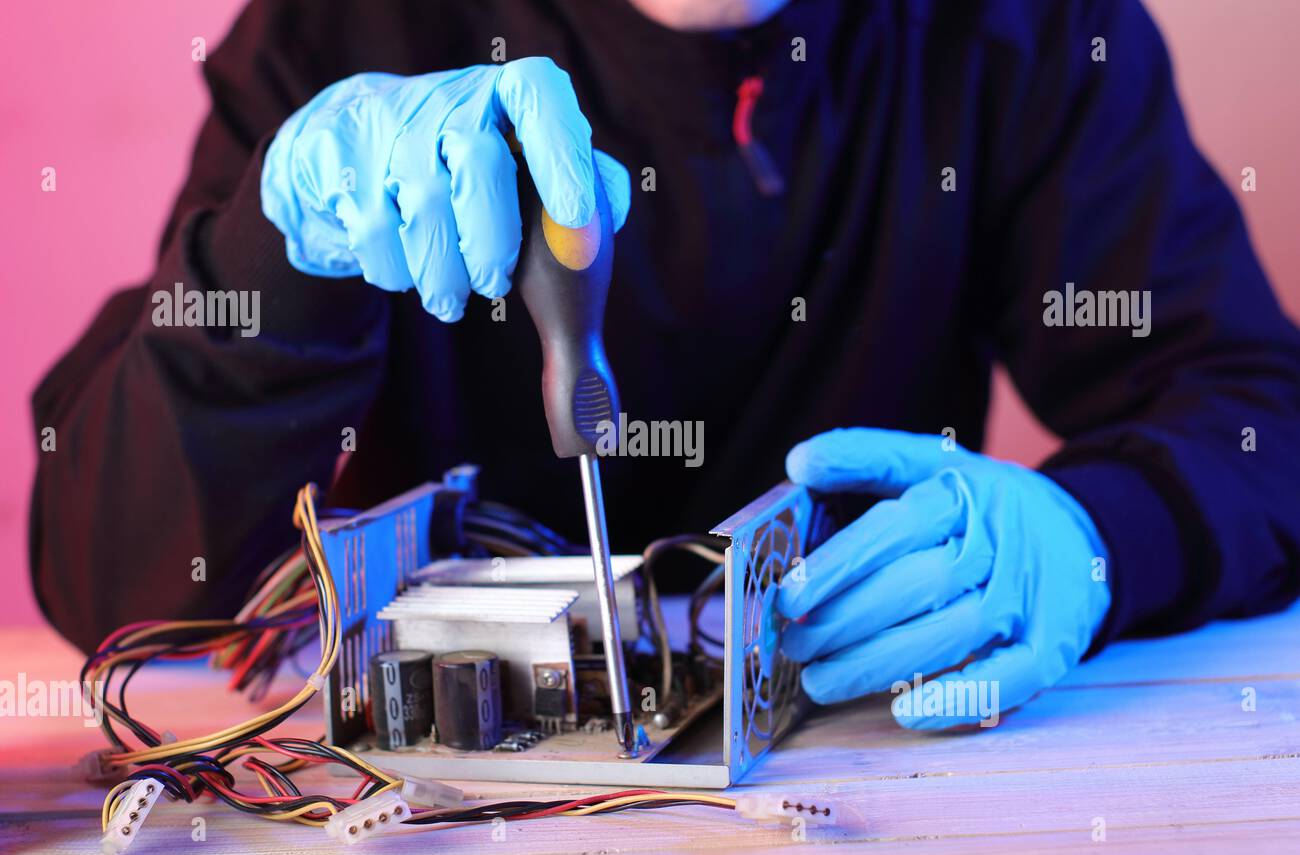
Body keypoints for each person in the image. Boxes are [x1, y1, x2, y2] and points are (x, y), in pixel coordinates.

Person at [31, 0, 1300, 729]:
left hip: (865, 778)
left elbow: (1261, 418)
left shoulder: (1022, 28)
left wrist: (1094, 536)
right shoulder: (342, 25)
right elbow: (106, 574)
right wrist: (278, 244)